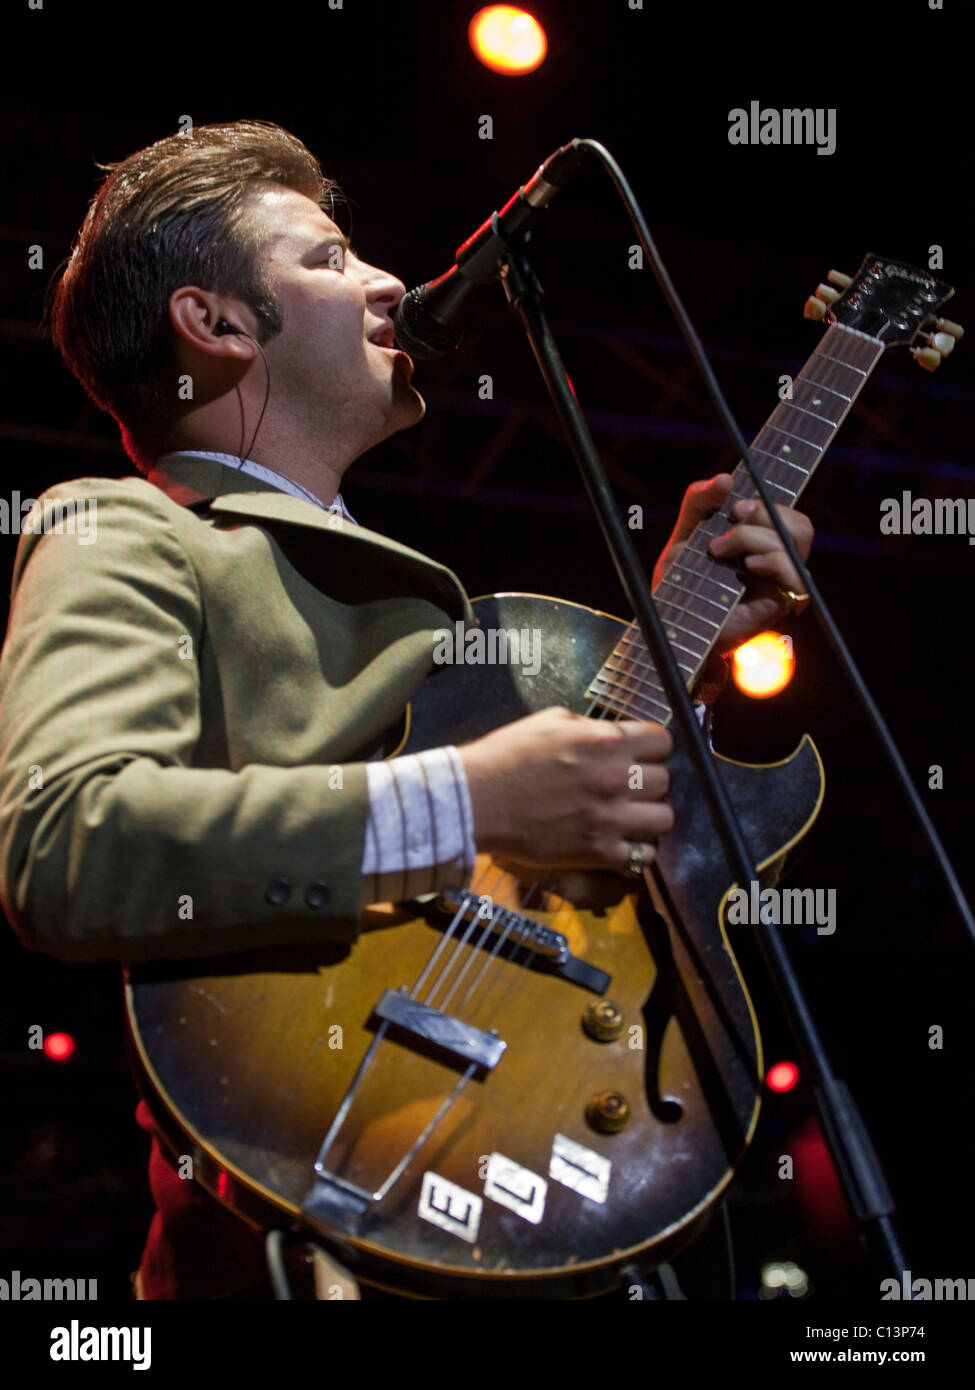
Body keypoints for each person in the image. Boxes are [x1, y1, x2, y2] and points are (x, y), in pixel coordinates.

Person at [0, 121, 814, 1300]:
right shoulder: (119, 527)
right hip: (300, 1219)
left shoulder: (394, 586)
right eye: (328, 259)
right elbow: (64, 840)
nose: (388, 279)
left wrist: (674, 632)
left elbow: (502, 862)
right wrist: (471, 793)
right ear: (215, 324)